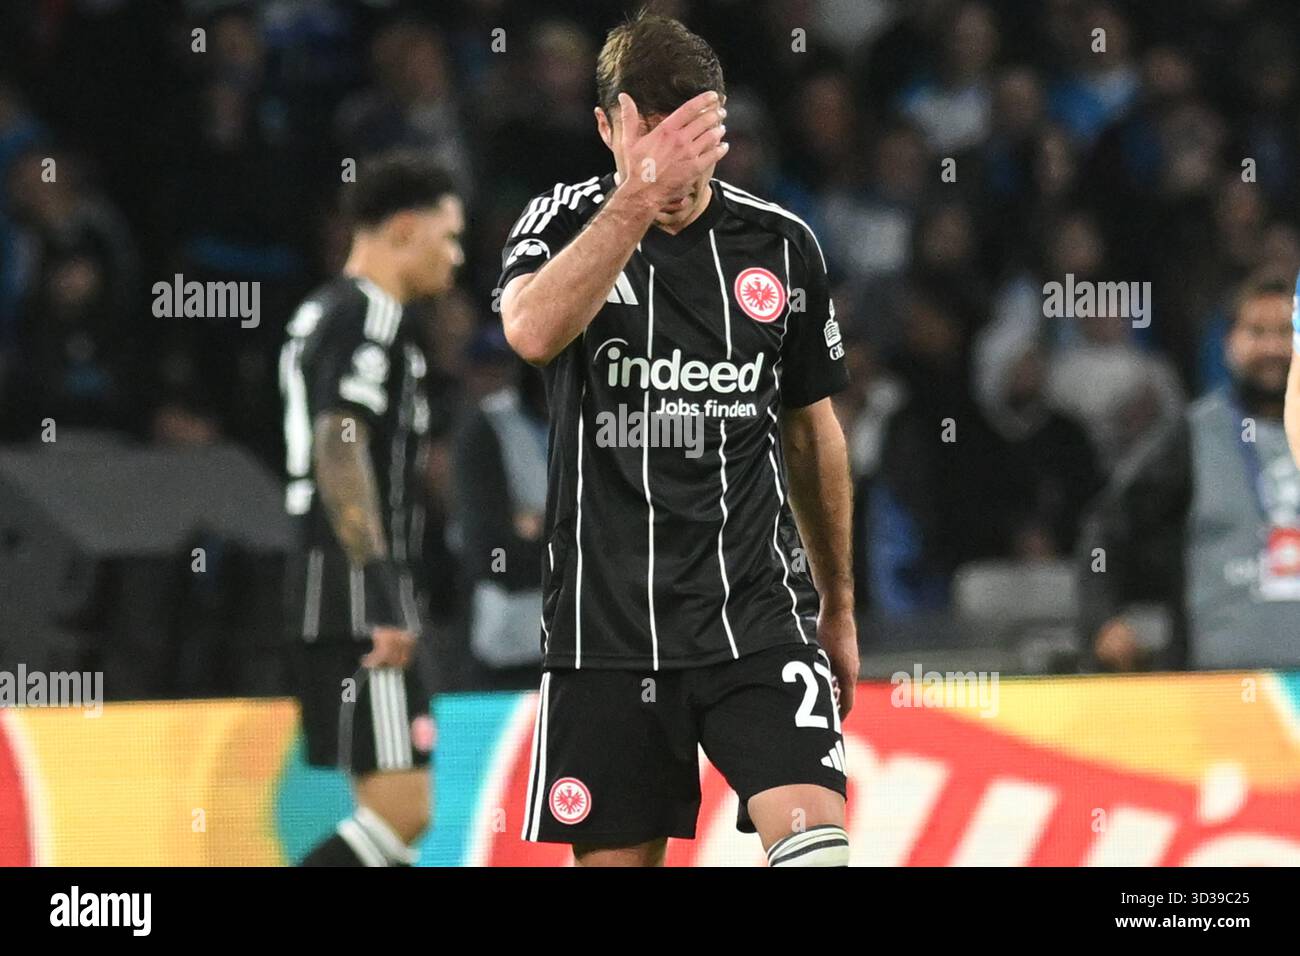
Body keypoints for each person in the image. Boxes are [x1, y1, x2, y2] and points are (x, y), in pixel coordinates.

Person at [498, 11, 856, 868]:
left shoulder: (780, 245)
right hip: (605, 633)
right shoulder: (557, 223)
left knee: (819, 855)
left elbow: (814, 436)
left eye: (692, 129)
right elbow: (530, 331)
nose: (673, 156)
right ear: (604, 129)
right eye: (648, 130)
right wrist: (635, 199)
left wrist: (838, 606)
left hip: (757, 618)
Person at [279, 152, 463, 865]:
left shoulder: (322, 311)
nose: (454, 259)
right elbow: (338, 440)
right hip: (356, 593)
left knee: (393, 823)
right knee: (401, 814)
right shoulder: (371, 315)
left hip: (332, 588)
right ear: (405, 229)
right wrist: (385, 592)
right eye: (447, 238)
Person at [1080, 275, 1300, 671]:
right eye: (1256, 332)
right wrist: (1103, 620)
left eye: (1286, 332)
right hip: (1213, 692)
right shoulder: (1192, 435)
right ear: (1228, 342)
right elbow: (1106, 526)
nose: (1273, 347)